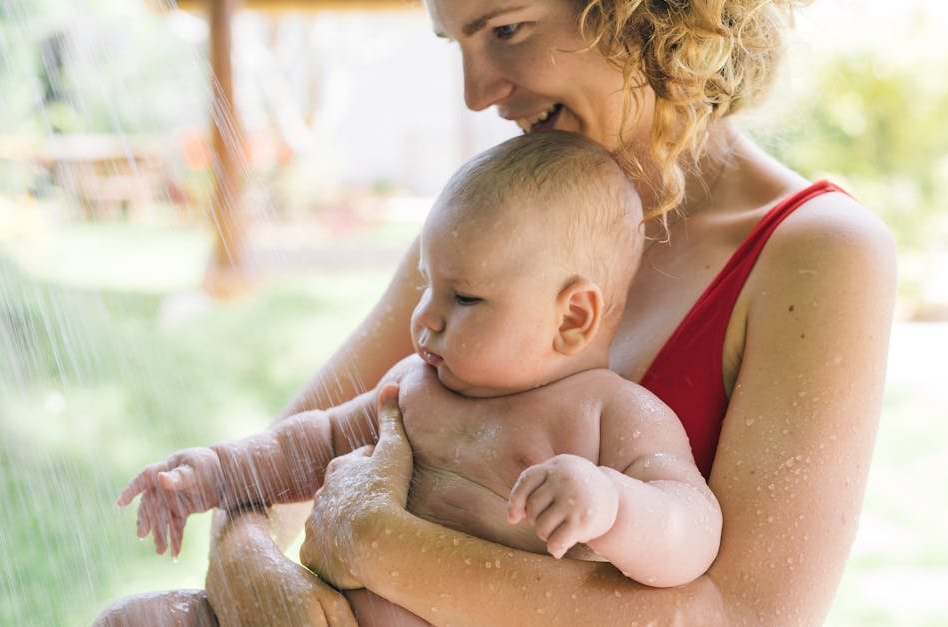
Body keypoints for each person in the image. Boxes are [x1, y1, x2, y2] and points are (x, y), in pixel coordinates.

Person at [96, 0, 896, 625]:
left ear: (647, 14)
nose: (478, 93)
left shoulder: (818, 253)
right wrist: (251, 572)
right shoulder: (496, 220)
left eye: (507, 29)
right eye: (457, 45)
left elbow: (740, 618)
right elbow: (276, 471)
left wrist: (376, 543)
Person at [113, 132, 722, 625]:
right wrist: (214, 472)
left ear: (573, 317)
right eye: (428, 283)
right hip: (319, 611)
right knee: (131, 621)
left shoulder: (612, 416)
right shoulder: (415, 387)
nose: (425, 314)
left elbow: (692, 531)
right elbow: (312, 444)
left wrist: (613, 506)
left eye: (463, 297)